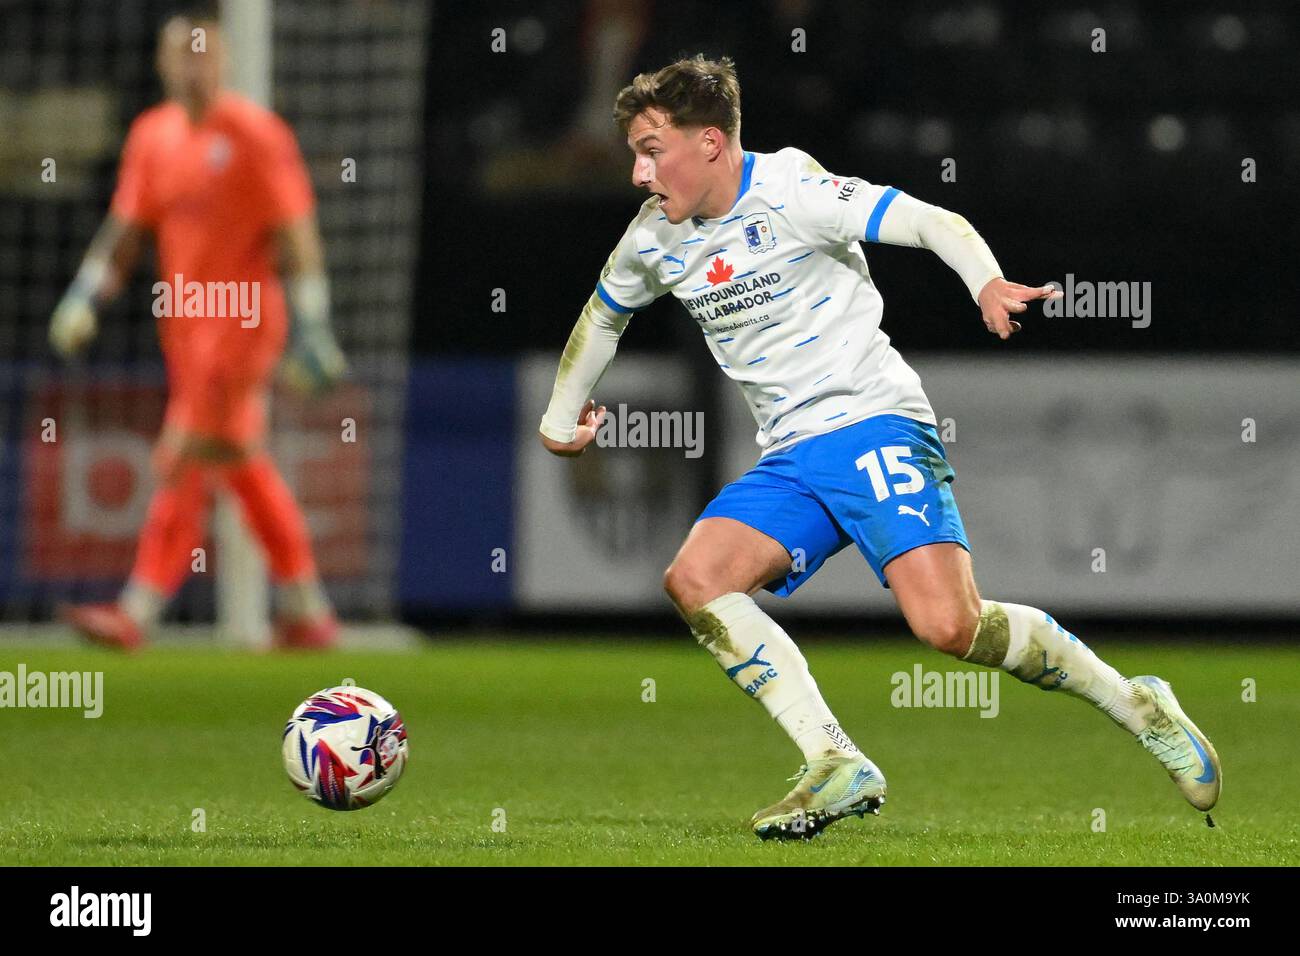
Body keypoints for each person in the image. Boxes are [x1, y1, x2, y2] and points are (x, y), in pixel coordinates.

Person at [538, 54, 1221, 840]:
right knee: (697, 578)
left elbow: (935, 222)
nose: (637, 171)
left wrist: (986, 281)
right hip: (792, 456)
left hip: (872, 422)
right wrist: (561, 421)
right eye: (635, 152)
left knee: (948, 627)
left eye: (652, 148)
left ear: (712, 144)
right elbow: (603, 316)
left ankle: (1136, 702)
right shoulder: (654, 236)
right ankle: (834, 760)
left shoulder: (794, 189)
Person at [49, 9, 346, 651]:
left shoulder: (256, 134)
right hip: (183, 328)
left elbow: (295, 232)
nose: (194, 64)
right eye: (182, 53)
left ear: (226, 60)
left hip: (242, 324)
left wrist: (314, 324)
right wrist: (85, 294)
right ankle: (307, 611)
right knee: (240, 463)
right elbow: (126, 231)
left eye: (204, 52)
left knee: (181, 454)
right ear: (162, 63)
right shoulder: (151, 135)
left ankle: (136, 612)